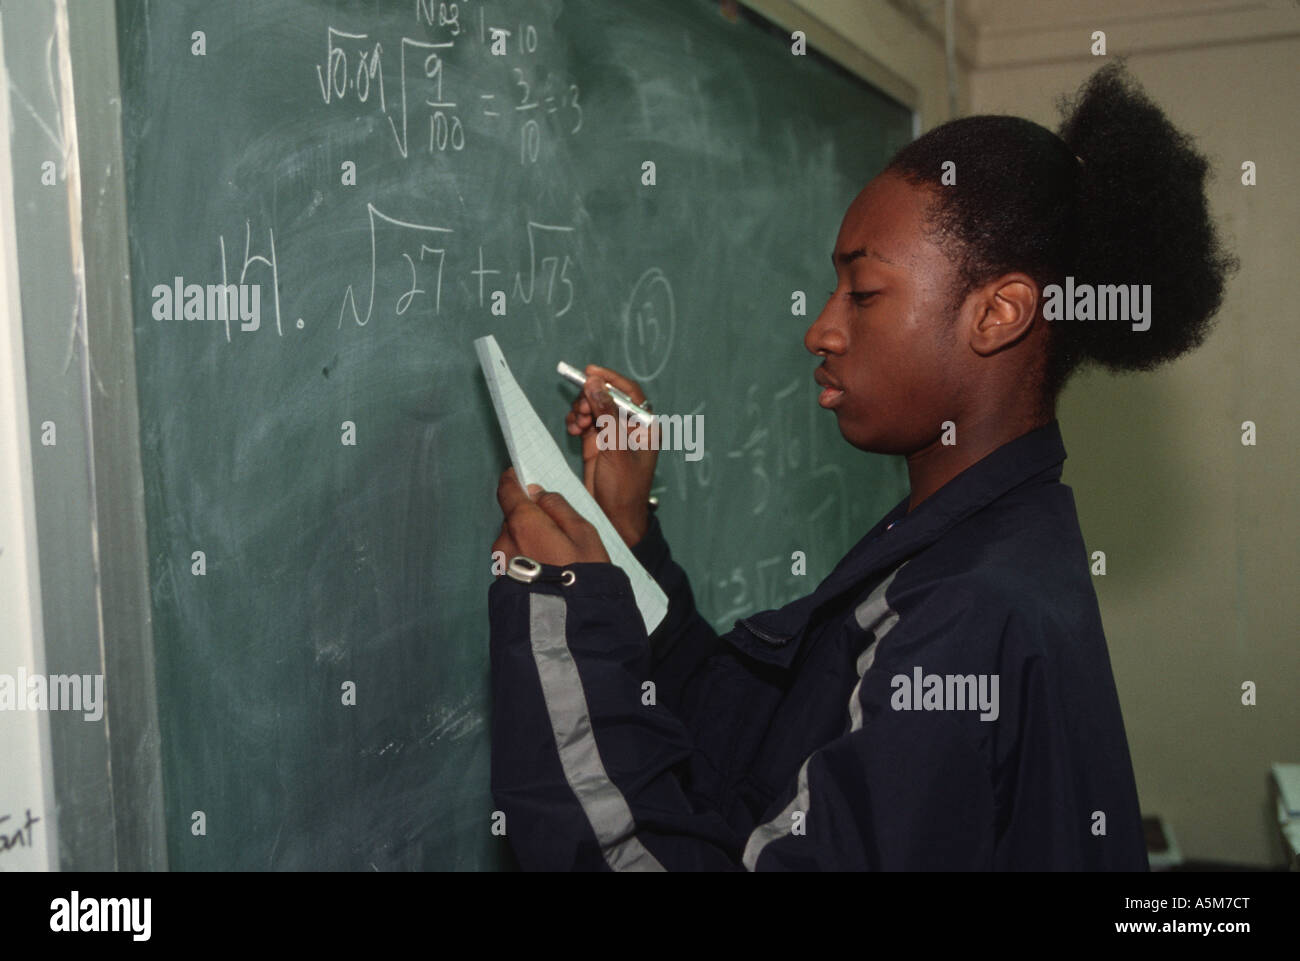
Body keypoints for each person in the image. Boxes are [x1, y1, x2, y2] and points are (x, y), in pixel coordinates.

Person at [486, 62, 1235, 870]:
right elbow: (756, 752)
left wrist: (565, 623)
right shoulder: (967, 542)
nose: (821, 329)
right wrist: (629, 544)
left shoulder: (963, 615)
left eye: (863, 291)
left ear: (999, 313)